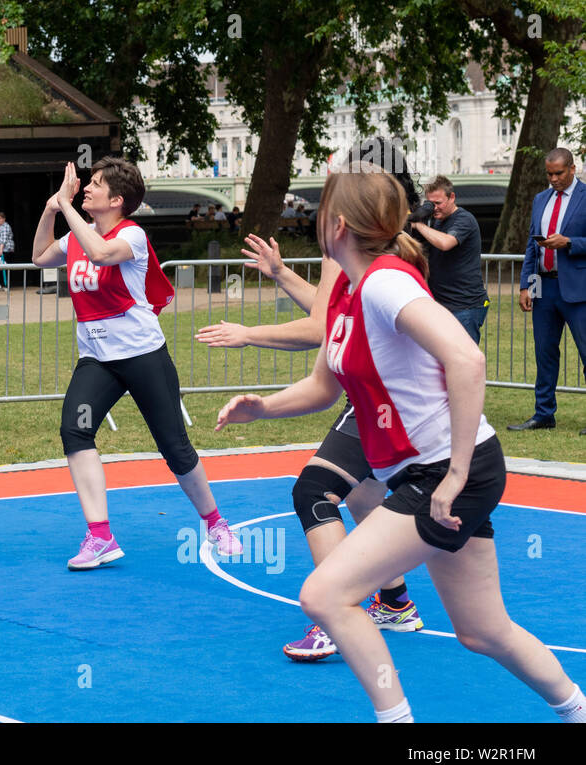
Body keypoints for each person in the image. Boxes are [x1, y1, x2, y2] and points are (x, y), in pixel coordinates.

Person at [216, 165, 585, 724]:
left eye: (318, 211)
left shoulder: (387, 283)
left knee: (326, 595)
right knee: (484, 631)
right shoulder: (347, 290)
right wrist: (262, 407)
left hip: (448, 471)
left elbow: (468, 357)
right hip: (433, 472)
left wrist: (456, 474)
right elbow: (323, 387)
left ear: (337, 224)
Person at [196, 140, 429, 661]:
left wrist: (247, 333)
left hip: (392, 402)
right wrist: (282, 275)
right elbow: (334, 314)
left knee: (315, 491)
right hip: (378, 397)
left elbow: (323, 327)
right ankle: (393, 603)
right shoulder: (376, 240)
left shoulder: (376, 254)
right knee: (366, 496)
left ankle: (335, 614)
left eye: (330, 180)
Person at [32, 158, 243, 568]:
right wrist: (51, 208)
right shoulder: (77, 234)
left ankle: (215, 522)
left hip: (142, 354)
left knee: (174, 446)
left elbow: (100, 253)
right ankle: (100, 535)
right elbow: (40, 255)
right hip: (97, 360)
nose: (86, 189)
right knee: (75, 431)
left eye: (94, 185)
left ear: (117, 200)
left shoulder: (132, 236)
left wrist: (68, 208)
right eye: (85, 184)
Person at [509, 148, 586, 433]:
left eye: (558, 173)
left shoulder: (585, 196)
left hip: (579, 289)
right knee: (544, 354)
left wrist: (569, 243)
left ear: (572, 168)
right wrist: (525, 286)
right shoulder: (540, 199)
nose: (553, 178)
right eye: (549, 173)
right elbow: (532, 245)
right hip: (544, 287)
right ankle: (543, 414)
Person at [409, 175, 488, 344]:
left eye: (438, 203)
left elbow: (445, 243)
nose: (434, 208)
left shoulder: (464, 219)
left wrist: (419, 225)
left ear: (452, 197)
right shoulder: (436, 222)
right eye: (430, 204)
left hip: (465, 306)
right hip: (441, 304)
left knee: (464, 361)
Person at [0, 211, 15, 290]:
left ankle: (6, 285)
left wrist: (1, 250)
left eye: (0, 218)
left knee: (4, 267)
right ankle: (1, 285)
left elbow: (3, 239)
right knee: (0, 268)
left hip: (4, 250)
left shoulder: (5, 227)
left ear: (4, 219)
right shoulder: (0, 227)